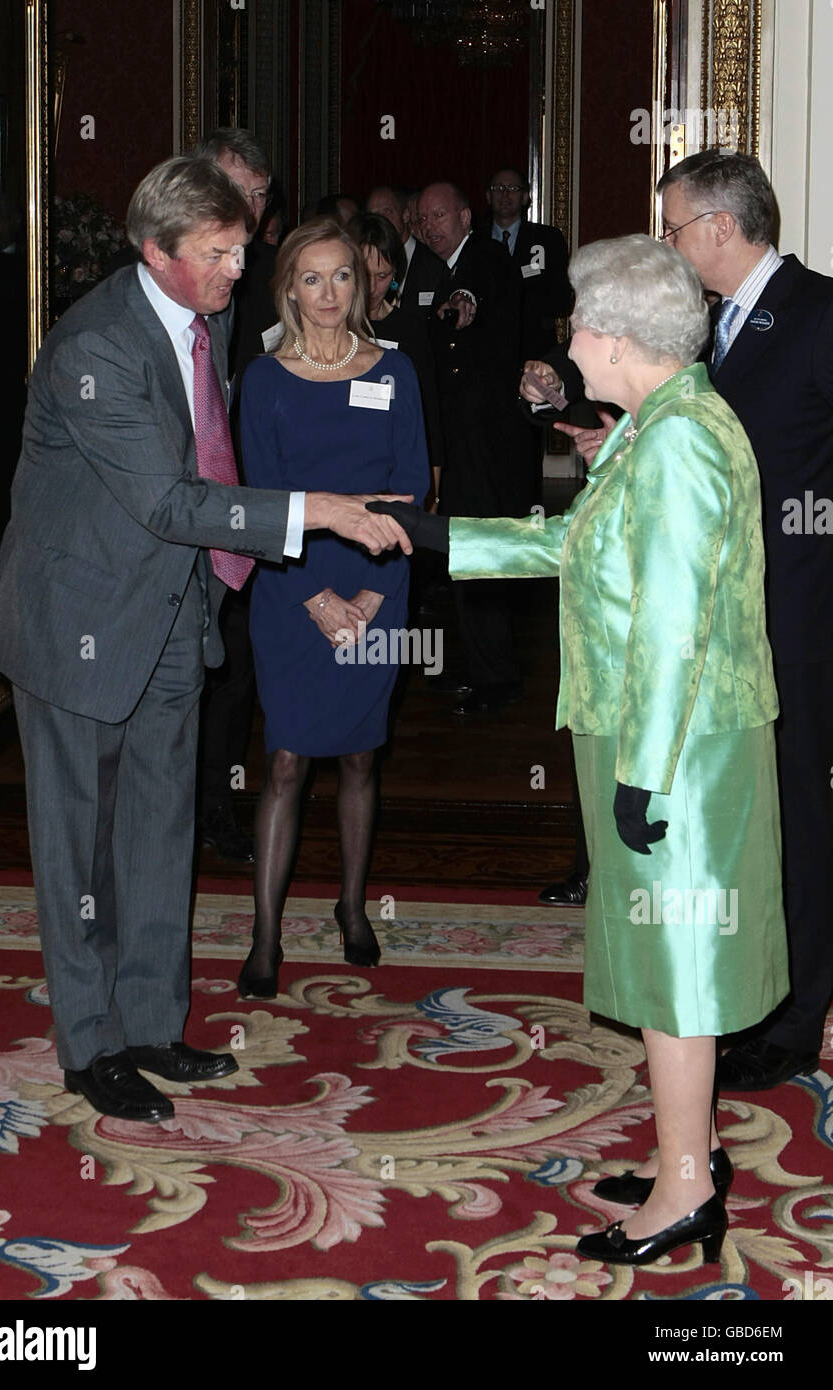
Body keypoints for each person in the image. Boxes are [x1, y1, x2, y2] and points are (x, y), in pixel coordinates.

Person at [369, 233, 789, 1266]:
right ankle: (684, 1151)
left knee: (680, 968)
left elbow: (675, 625)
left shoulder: (682, 439)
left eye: (577, 322)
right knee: (657, 965)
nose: (568, 339)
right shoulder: (656, 424)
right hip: (648, 735)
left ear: (616, 333)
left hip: (679, 749)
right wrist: (434, 533)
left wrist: (644, 774)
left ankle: (688, 1188)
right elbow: (571, 547)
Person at [0, 157, 412, 1126]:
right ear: (156, 251)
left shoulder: (201, 319)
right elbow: (171, 499)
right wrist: (323, 512)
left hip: (172, 618)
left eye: (240, 246)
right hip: (80, 628)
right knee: (83, 850)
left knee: (159, 833)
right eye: (218, 254)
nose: (237, 267)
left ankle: (149, 1021)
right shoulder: (95, 346)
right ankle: (92, 1045)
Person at [657, 150, 833, 1092]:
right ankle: (749, 991)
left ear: (722, 227)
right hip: (723, 614)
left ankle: (800, 1015)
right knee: (741, 814)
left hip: (799, 616)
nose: (671, 244)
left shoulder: (818, 314)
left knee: (800, 811)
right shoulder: (709, 330)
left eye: (675, 227)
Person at [236, 219, 429, 1000]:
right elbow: (258, 501)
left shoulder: (397, 371)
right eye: (310, 279)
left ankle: (352, 906)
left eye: (341, 276)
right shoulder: (262, 378)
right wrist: (316, 597)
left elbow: (412, 487)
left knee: (358, 756)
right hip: (289, 586)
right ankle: (265, 934)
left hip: (381, 579)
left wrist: (370, 599)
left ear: (366, 282)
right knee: (284, 763)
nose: (326, 294)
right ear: (288, 286)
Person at [190, 128, 281, 861]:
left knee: (233, 670)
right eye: (233, 190)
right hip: (172, 509)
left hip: (250, 506)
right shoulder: (165, 276)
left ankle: (215, 810)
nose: (246, 210)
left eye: (257, 196)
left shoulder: (272, 274)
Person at [418, 180, 536, 715]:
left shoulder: (487, 257)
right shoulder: (434, 268)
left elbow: (473, 296)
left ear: (466, 216)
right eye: (422, 219)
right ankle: (476, 665)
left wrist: (463, 303)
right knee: (460, 552)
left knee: (482, 552)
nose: (431, 226)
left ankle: (499, 678)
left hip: (487, 443)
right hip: (458, 440)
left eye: (440, 214)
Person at [347, 210, 444, 506]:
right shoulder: (331, 328)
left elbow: (428, 411)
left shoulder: (411, 328)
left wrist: (433, 496)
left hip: (393, 471)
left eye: (382, 276)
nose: (372, 288)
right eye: (363, 275)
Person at [480, 166, 571, 359]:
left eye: (513, 188)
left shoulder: (547, 239)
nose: (504, 194)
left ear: (526, 197)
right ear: (488, 196)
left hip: (534, 347)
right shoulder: (475, 239)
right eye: (498, 188)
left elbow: (561, 298)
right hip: (485, 350)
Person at [366, 184, 445, 314]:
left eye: (387, 211)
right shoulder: (361, 264)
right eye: (374, 215)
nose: (381, 220)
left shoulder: (434, 263)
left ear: (406, 215)